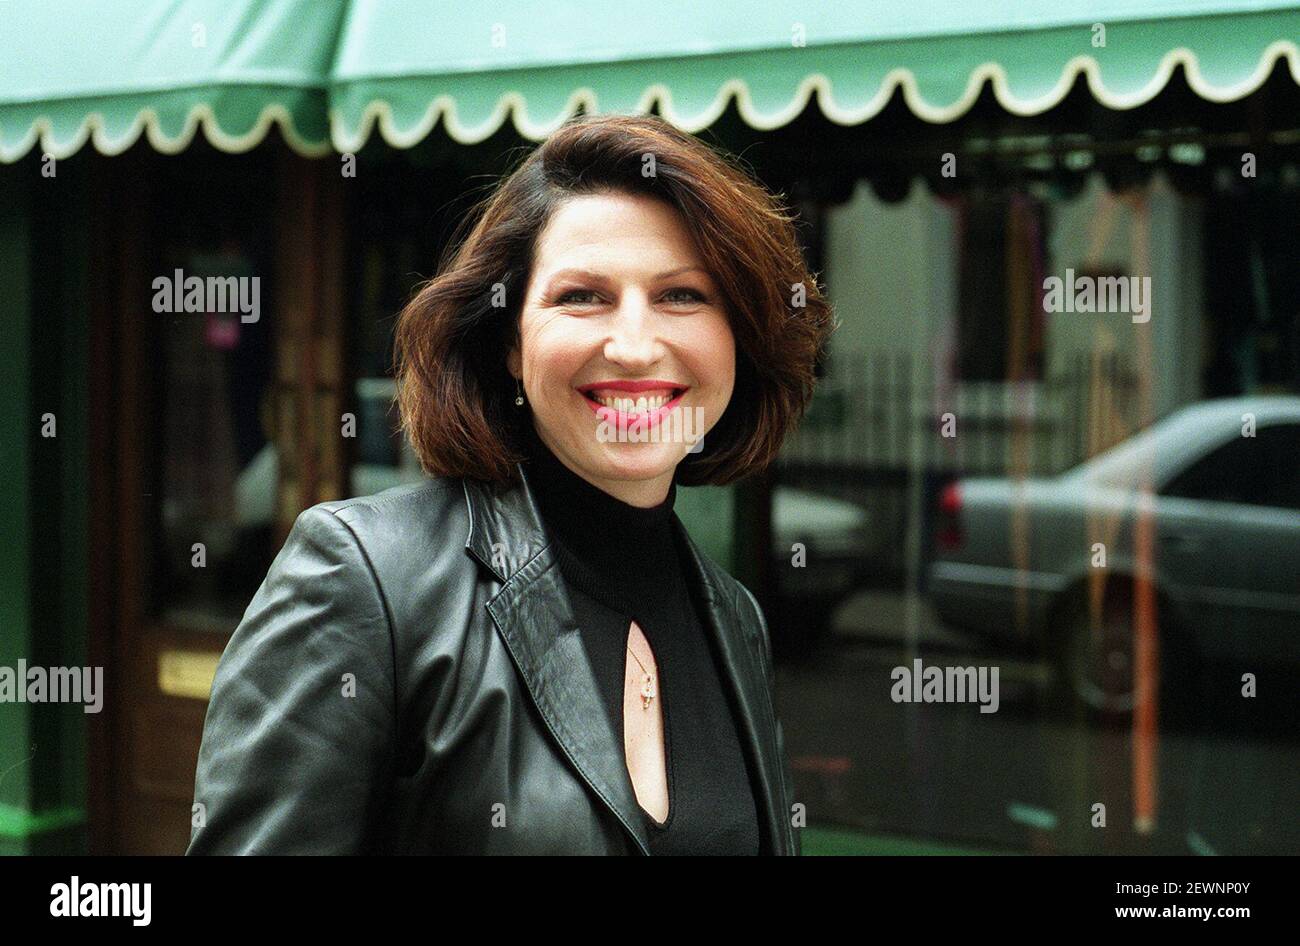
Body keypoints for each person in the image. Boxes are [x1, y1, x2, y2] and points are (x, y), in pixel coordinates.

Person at [187, 113, 835, 855]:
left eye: (682, 296)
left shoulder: (735, 619)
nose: (632, 345)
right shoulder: (366, 581)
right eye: (581, 296)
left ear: (739, 336)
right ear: (508, 345)